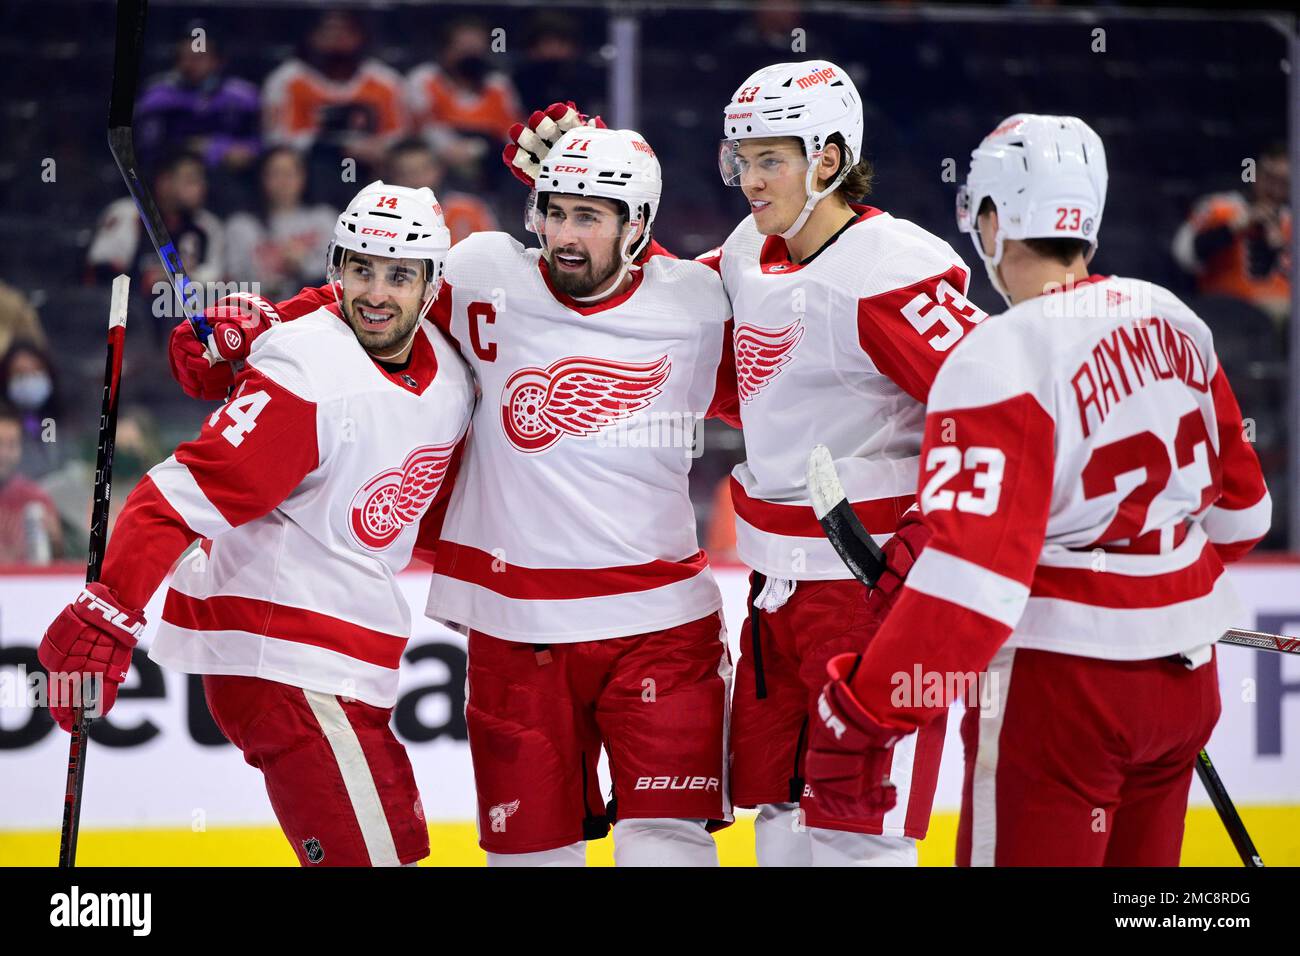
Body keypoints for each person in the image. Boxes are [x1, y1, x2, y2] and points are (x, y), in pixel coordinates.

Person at [169, 122, 738, 867]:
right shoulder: (479, 270)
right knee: (530, 857)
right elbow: (367, 301)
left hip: (661, 623)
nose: (564, 235)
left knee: (666, 845)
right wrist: (252, 331)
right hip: (513, 626)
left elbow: (793, 384)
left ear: (639, 226)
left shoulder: (702, 303)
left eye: (590, 216)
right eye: (553, 211)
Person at [807, 114, 1272, 866]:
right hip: (1187, 690)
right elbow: (1244, 517)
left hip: (1059, 694)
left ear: (991, 219)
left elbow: (972, 587)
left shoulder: (999, 353)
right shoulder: (1175, 316)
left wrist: (866, 713)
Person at [40, 182, 474, 867]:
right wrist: (111, 608)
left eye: (399, 275)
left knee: (392, 851)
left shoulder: (449, 358)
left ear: (432, 284)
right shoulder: (306, 378)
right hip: (287, 658)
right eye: (360, 268)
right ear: (338, 265)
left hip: (343, 661)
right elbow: (176, 497)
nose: (377, 293)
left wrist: (261, 319)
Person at [705, 60, 983, 866]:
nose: (749, 182)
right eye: (741, 160)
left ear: (828, 160)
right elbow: (661, 320)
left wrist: (944, 540)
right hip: (775, 587)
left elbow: (995, 411)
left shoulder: (886, 270)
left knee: (857, 827)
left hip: (872, 590)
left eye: (771, 161)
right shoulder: (745, 253)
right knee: (782, 817)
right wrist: (580, 180)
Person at [262, 11, 408, 204]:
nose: (337, 41)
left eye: (345, 33)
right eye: (328, 33)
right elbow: (278, 138)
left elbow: (401, 135)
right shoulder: (287, 80)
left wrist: (380, 148)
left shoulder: (385, 81)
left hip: (373, 166)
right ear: (311, 37)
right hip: (313, 169)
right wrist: (338, 148)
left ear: (360, 37)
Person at [86, 149, 225, 328]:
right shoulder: (127, 214)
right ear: (164, 183)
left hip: (183, 321)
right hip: (122, 321)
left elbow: (216, 282)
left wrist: (172, 279)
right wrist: (144, 281)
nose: (201, 187)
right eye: (191, 180)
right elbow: (100, 274)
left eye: (201, 180)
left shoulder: (208, 226)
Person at [1172, 142, 1290, 325]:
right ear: (1254, 173)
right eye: (1269, 178)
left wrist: (1281, 248)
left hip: (1284, 315)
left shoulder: (1291, 221)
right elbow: (1184, 253)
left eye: (1282, 183)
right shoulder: (1221, 207)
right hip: (1225, 308)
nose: (1274, 189)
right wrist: (1234, 228)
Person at [135, 25, 261, 182]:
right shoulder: (158, 96)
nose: (190, 64)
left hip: (229, 177)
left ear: (217, 61)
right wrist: (189, 148)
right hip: (172, 178)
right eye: (184, 57)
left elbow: (259, 143)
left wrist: (217, 149)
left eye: (198, 58)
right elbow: (147, 149)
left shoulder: (243, 96)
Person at [407, 17, 521, 183]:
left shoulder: (498, 85)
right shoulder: (424, 79)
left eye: (476, 48)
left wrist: (477, 149)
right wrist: (448, 147)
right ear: (445, 50)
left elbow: (511, 131)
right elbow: (419, 127)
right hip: (435, 163)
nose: (471, 55)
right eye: (464, 48)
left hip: (490, 163)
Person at [224, 146, 337, 301]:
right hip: (257, 310)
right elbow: (232, 281)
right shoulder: (241, 225)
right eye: (275, 174)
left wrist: (304, 263)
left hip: (314, 311)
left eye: (289, 174)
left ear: (303, 176)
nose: (283, 182)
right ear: (262, 178)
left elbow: (339, 275)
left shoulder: (324, 218)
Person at [385, 137, 497, 245]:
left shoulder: (470, 208)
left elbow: (494, 253)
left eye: (425, 169)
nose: (418, 179)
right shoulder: (383, 219)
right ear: (393, 177)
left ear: (438, 170)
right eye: (407, 173)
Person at [0, 404, 62, 564]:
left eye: (12, 444)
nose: (4, 453)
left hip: (25, 586)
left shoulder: (36, 498)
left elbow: (57, 562)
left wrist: (55, 542)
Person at [0, 340, 63, 478]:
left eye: (36, 370)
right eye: (19, 373)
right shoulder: (5, 422)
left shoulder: (51, 419)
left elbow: (54, 461)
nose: (29, 379)